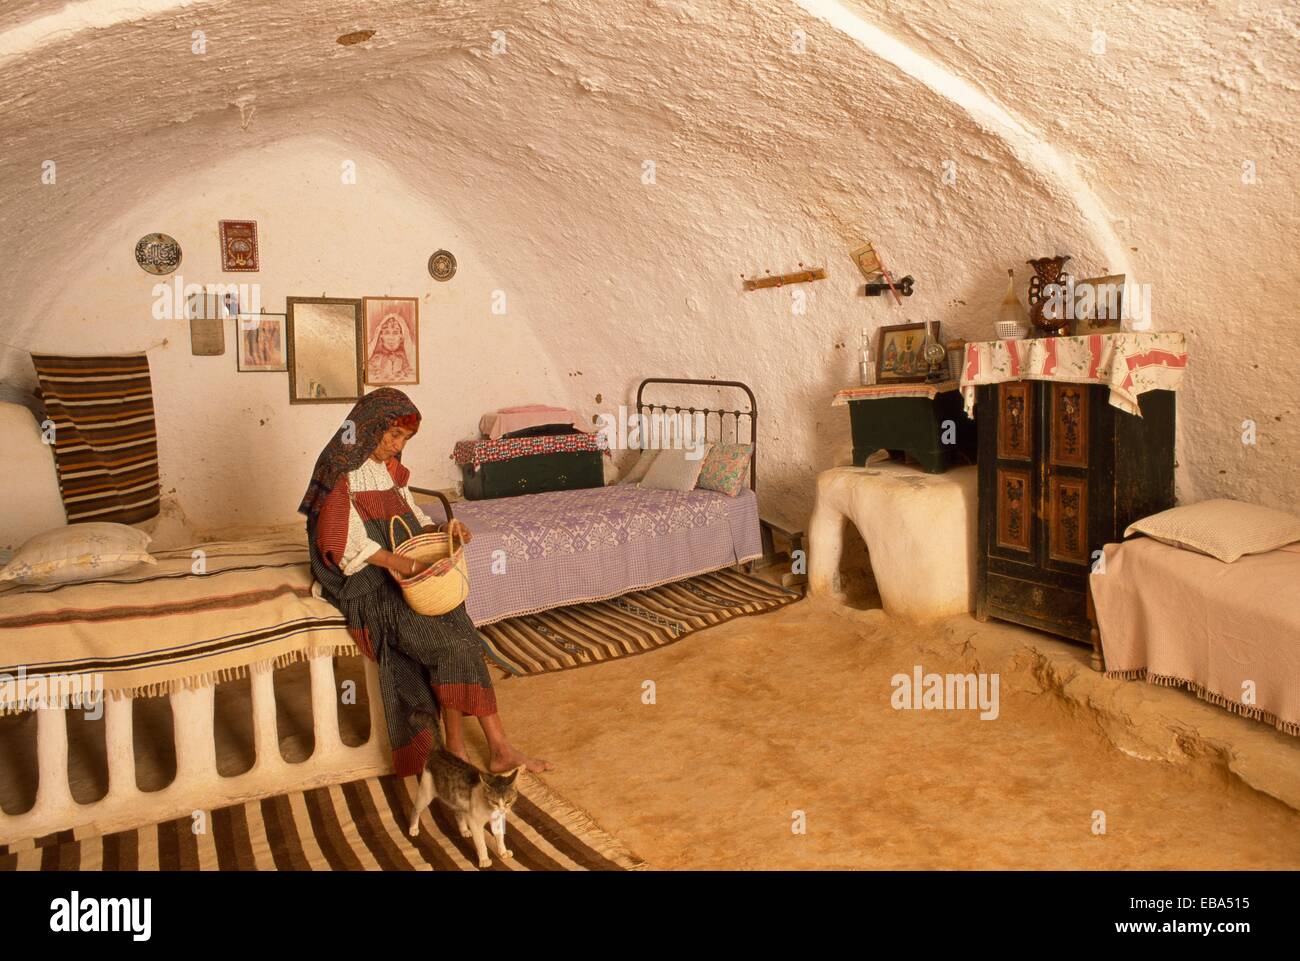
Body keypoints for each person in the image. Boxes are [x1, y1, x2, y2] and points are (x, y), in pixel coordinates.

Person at [298, 388, 550, 775]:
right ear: (370, 427)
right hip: (367, 581)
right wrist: (404, 566)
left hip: (403, 570)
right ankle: (457, 748)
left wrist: (442, 529)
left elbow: (410, 514)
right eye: (393, 435)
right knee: (446, 646)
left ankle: (497, 747)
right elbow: (341, 543)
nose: (397, 446)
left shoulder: (387, 469)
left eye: (404, 440)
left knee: (463, 633)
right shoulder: (340, 469)